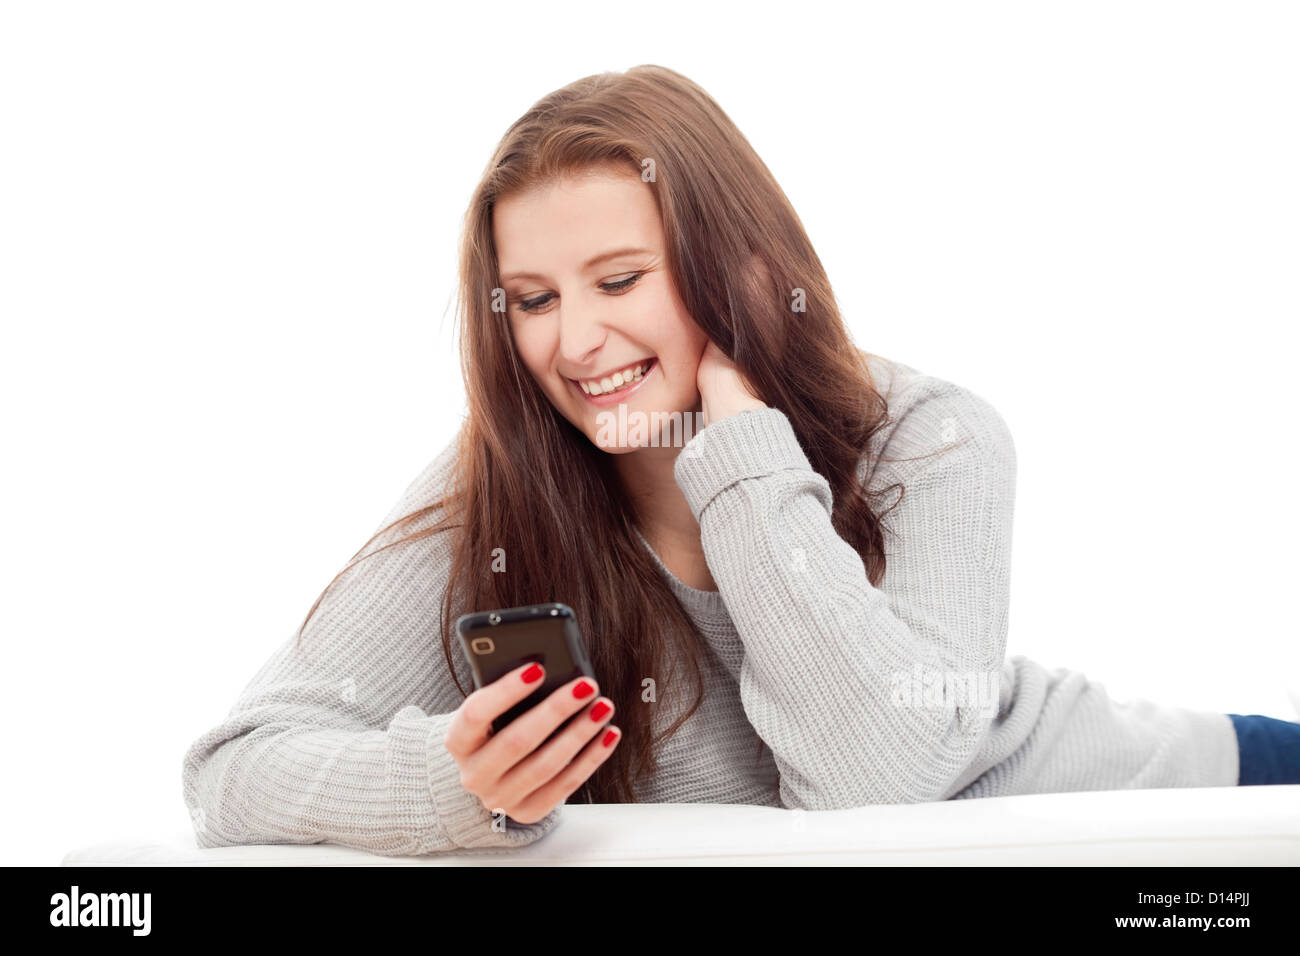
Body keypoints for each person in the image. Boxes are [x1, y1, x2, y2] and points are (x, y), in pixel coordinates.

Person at [182, 64, 1300, 857]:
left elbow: (869, 786)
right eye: (532, 299)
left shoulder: (936, 434)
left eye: (620, 281)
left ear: (742, 270)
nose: (573, 342)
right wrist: (447, 782)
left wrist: (740, 456)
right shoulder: (497, 480)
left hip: (1180, 787)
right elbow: (233, 765)